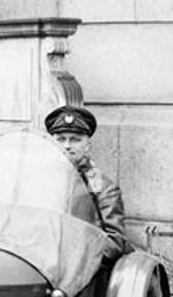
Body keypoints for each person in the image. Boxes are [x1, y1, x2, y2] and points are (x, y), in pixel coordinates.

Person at [44, 105, 129, 261]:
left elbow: (115, 242)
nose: (67, 146)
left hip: (79, 267)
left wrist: (77, 255)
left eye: (75, 140)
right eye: (60, 139)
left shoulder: (99, 185)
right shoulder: (39, 180)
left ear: (87, 146)